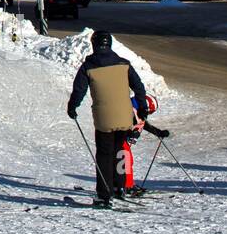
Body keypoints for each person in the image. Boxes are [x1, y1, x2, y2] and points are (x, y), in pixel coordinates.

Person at [67, 30, 149, 208]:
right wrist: (142, 107)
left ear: (94, 44)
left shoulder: (88, 66)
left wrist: (72, 107)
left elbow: (79, 90)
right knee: (120, 149)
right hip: (125, 116)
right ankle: (120, 187)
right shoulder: (123, 64)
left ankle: (104, 195)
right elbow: (139, 87)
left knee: (104, 155)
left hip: (104, 119)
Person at [120, 94, 170, 196]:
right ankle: (126, 186)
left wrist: (158, 132)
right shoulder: (129, 110)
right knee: (126, 161)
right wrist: (127, 132)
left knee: (126, 161)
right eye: (149, 112)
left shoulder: (137, 111)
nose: (148, 114)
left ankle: (123, 184)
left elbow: (143, 123)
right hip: (119, 139)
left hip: (124, 141)